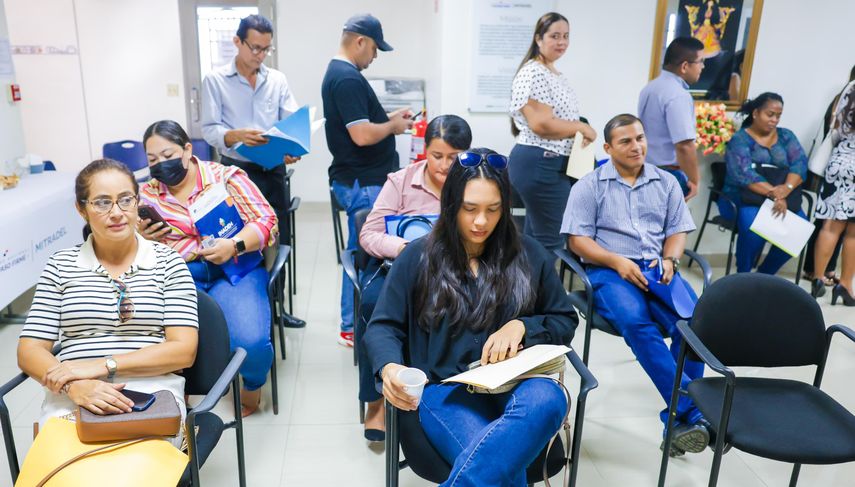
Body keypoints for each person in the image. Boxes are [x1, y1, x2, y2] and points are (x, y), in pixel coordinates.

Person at [364, 147, 576, 486]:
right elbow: (383, 327)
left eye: (493, 210)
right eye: (469, 209)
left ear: (505, 206)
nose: (481, 221)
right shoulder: (418, 257)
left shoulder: (530, 255)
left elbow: (564, 320)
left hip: (517, 380)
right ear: (450, 206)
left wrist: (522, 326)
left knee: (550, 399)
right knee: (502, 472)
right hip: (446, 390)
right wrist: (390, 367)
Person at [18, 159, 198, 449]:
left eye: (125, 200)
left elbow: (183, 350)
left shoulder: (168, 263)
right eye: (102, 203)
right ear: (81, 208)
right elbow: (29, 350)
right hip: (76, 394)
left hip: (151, 393)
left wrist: (100, 366)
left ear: (137, 202)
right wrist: (75, 386)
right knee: (63, 469)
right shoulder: (60, 266)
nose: (116, 213)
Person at [561, 114, 708, 456]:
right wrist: (616, 262)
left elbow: (677, 230)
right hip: (609, 269)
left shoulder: (667, 182)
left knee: (694, 325)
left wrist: (670, 259)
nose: (636, 146)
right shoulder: (590, 185)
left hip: (658, 267)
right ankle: (693, 409)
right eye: (625, 141)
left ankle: (677, 420)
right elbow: (577, 242)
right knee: (636, 323)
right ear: (608, 148)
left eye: (640, 138)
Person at [138, 120, 277, 416]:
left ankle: (252, 386)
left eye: (168, 155)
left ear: (188, 150)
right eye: (153, 160)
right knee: (163, 340)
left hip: (236, 269)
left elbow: (268, 222)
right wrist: (141, 237)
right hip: (180, 275)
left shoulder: (225, 178)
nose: (162, 165)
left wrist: (235, 245)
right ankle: (178, 396)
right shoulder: (148, 194)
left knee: (250, 342)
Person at [356, 115, 472, 442]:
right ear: (425, 151)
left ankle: (449, 388)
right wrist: (407, 249)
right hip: (402, 268)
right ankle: (376, 399)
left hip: (457, 271)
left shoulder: (473, 184)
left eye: (455, 157)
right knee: (373, 306)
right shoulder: (402, 181)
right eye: (438, 156)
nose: (445, 166)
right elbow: (370, 233)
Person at [201, 14, 305, 328]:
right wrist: (234, 135)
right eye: (255, 47)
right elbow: (208, 129)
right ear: (237, 42)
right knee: (239, 241)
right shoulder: (215, 80)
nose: (260, 55)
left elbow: (291, 121)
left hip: (272, 171)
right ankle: (243, 311)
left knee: (278, 240)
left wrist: (291, 148)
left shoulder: (277, 80)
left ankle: (277, 308)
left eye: (265, 49)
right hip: (234, 174)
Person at [322, 13, 413, 347]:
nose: (374, 57)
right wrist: (393, 127)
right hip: (363, 182)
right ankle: (351, 325)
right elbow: (360, 135)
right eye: (374, 49)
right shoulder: (346, 78)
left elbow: (360, 123)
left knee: (361, 249)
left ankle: (355, 321)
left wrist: (388, 119)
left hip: (361, 178)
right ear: (359, 41)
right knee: (362, 253)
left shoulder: (344, 75)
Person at [508, 12, 596, 251]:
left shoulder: (551, 72)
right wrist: (581, 127)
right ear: (538, 39)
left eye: (566, 36)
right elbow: (541, 124)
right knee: (551, 240)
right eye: (554, 36)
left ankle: (525, 288)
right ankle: (538, 289)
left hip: (550, 163)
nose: (562, 42)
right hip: (540, 163)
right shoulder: (534, 72)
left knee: (536, 239)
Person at [719, 92, 807, 275]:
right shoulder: (740, 139)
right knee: (754, 225)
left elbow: (799, 165)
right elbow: (743, 174)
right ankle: (743, 274)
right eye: (770, 114)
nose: (774, 120)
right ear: (756, 113)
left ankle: (765, 274)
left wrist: (786, 189)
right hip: (742, 197)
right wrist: (776, 194)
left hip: (783, 196)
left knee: (800, 228)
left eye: (778, 115)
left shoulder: (786, 136)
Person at [803, 65, 855, 286]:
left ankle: (817, 279)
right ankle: (845, 285)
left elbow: (834, 128)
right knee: (853, 232)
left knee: (829, 225)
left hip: (839, 160)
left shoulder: (847, 90)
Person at [639, 37, 705, 200]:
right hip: (668, 174)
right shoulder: (678, 95)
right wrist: (694, 180)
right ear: (685, 66)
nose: (702, 67)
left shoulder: (650, 87)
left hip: (645, 169)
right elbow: (684, 145)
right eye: (700, 62)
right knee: (671, 225)